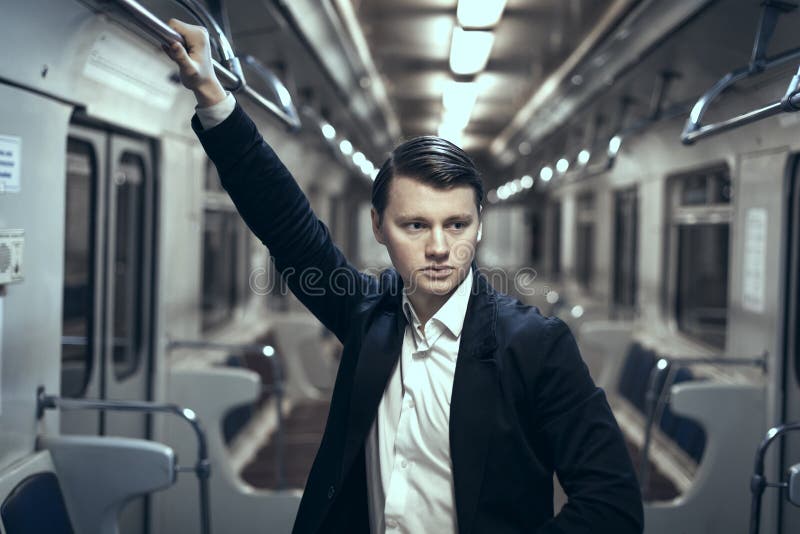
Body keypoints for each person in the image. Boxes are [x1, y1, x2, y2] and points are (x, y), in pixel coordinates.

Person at [163, 18, 644, 534]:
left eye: (457, 224)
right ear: (378, 226)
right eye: (415, 225)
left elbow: (610, 506)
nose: (439, 247)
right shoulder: (367, 317)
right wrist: (214, 96)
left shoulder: (536, 346)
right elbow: (288, 229)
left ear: (478, 226)